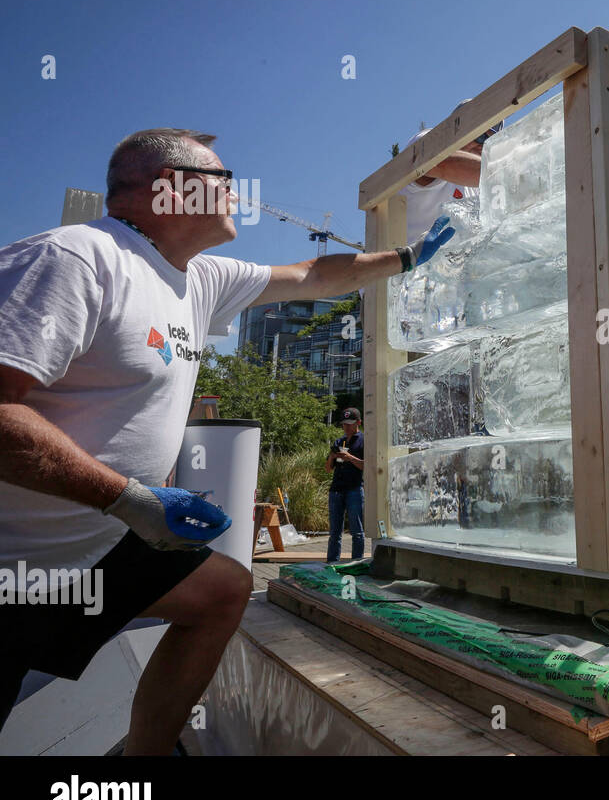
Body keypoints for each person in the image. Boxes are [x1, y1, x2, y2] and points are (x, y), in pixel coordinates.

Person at [0, 128, 455, 752]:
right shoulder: (77, 259)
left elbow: (312, 272)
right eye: (224, 181)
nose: (238, 195)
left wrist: (404, 259)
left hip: (98, 548)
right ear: (174, 190)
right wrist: (130, 498)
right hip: (14, 562)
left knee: (221, 590)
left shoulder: (201, 277)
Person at [399, 98, 500, 242]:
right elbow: (438, 161)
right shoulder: (426, 141)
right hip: (410, 262)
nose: (483, 146)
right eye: (480, 136)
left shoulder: (478, 187)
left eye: (490, 141)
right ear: (455, 129)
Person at [326, 407, 365, 562]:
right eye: (344, 424)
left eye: (350, 424)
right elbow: (328, 469)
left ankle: (357, 563)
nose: (346, 427)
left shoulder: (364, 440)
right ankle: (332, 563)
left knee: (357, 531)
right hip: (336, 490)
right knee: (335, 532)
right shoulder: (339, 441)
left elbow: (367, 466)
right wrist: (332, 456)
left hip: (354, 489)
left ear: (358, 423)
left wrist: (350, 458)